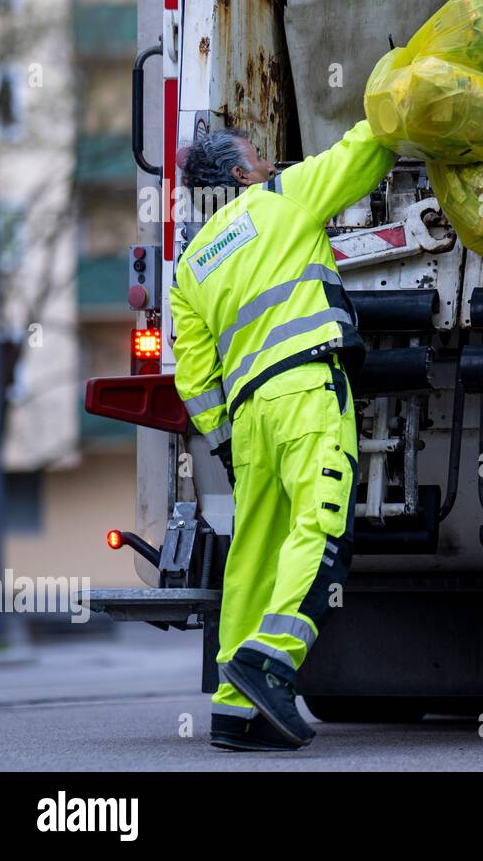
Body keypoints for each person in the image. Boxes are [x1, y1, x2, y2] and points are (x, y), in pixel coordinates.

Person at [171, 121, 395, 751]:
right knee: (320, 527)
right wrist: (402, 86)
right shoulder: (282, 199)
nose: (271, 164)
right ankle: (269, 661)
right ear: (239, 177)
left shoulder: (191, 264)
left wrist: (226, 447)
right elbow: (365, 152)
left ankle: (233, 711)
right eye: (259, 158)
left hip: (247, 422)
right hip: (305, 392)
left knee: (253, 554)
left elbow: (195, 379)